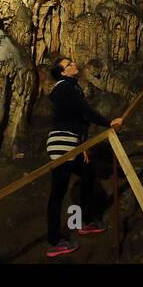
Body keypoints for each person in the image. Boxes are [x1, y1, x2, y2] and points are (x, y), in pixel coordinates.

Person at [44, 56, 124, 258]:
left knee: (88, 173)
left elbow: (78, 119)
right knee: (58, 191)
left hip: (71, 143)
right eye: (68, 64)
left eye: (71, 62)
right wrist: (109, 123)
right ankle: (54, 242)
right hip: (61, 144)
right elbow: (85, 112)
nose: (73, 64)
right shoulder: (64, 88)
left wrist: (82, 147)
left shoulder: (72, 88)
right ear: (62, 72)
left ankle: (87, 221)